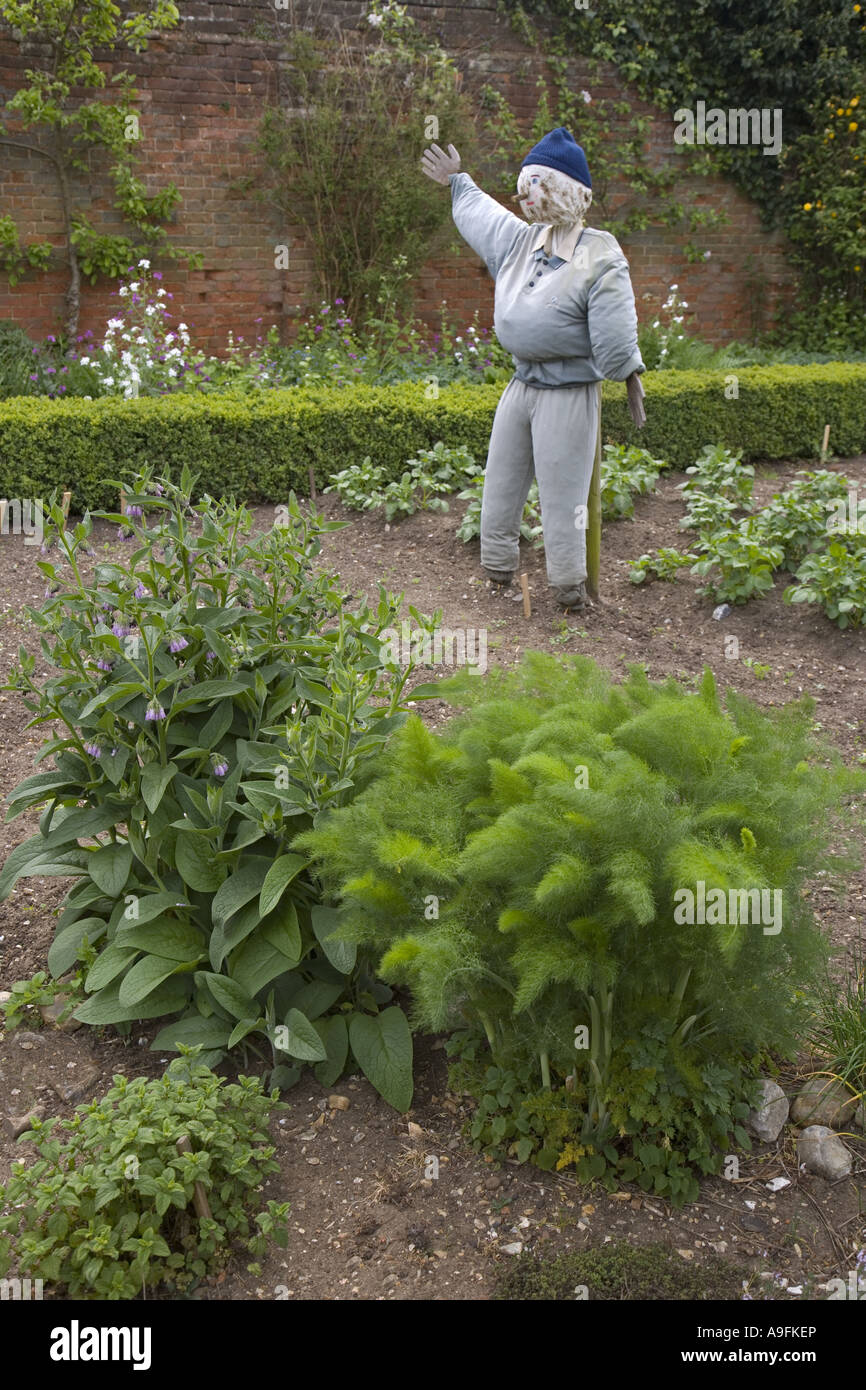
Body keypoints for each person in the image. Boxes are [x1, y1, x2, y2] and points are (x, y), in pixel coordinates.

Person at [421, 127, 646, 610]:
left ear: (567, 189)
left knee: (564, 491)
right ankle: (497, 567)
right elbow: (485, 216)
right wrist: (458, 181)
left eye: (537, 183)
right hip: (522, 385)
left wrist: (626, 369)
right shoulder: (522, 241)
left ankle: (568, 588)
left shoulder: (597, 252)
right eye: (526, 183)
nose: (525, 194)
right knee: (501, 476)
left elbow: (613, 315)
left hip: (568, 394)